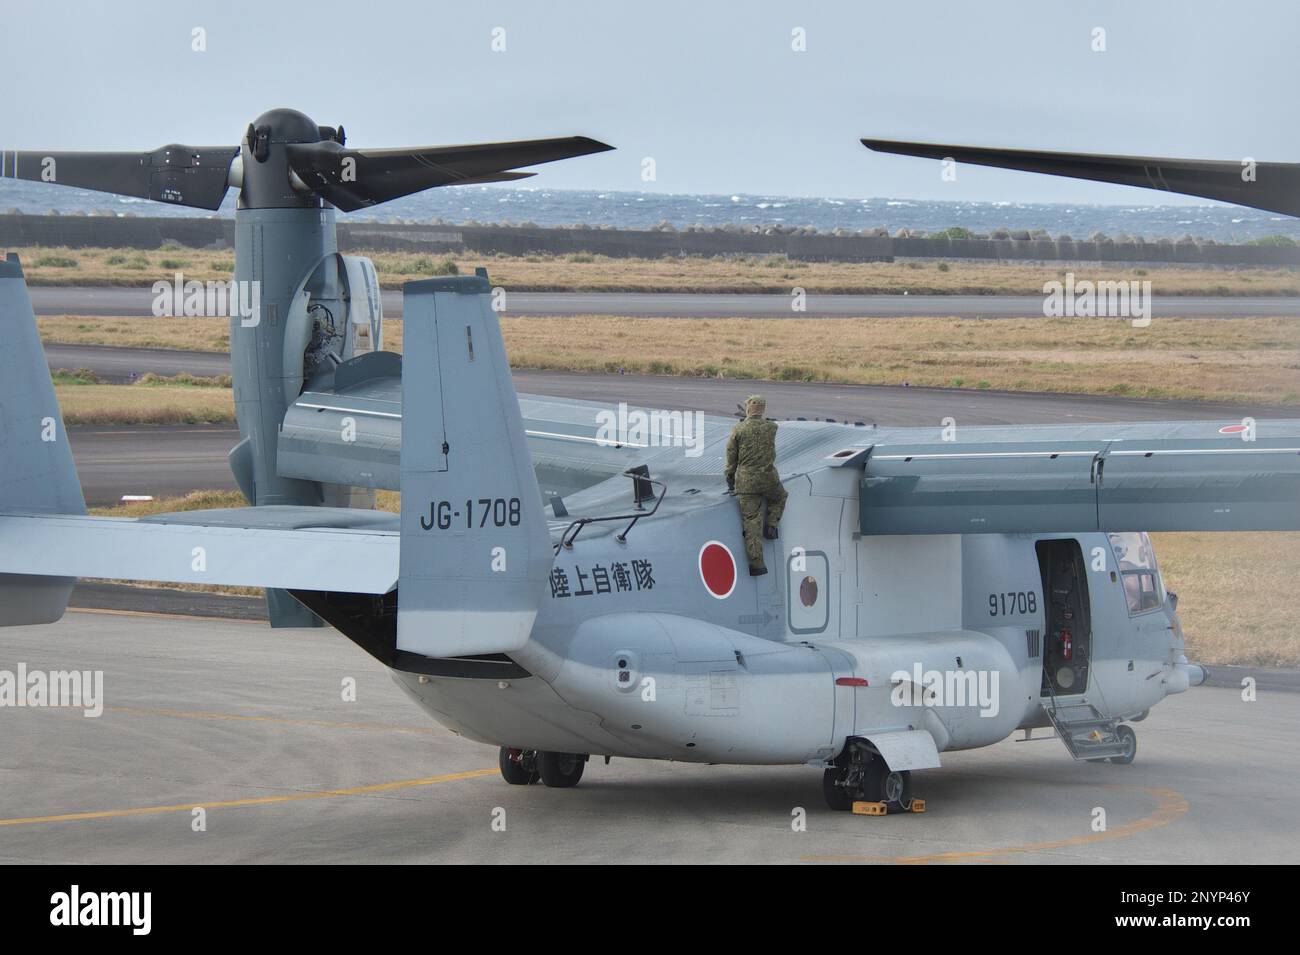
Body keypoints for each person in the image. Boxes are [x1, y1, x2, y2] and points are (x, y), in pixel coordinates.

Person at [724, 395, 787, 576]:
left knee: (751, 521)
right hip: (768, 478)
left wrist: (730, 480)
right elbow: (766, 425)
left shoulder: (738, 429)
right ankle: (772, 525)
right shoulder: (771, 428)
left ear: (749, 409)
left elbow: (730, 459)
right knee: (780, 497)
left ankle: (757, 565)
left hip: (746, 482)